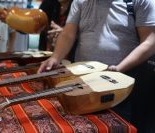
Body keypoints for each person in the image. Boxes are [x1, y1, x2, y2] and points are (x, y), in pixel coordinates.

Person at [38, 0, 155, 132]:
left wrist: (119, 68)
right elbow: (68, 33)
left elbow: (150, 41)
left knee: (117, 126)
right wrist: (56, 57)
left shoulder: (141, 2)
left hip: (120, 83)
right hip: (82, 81)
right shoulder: (80, 2)